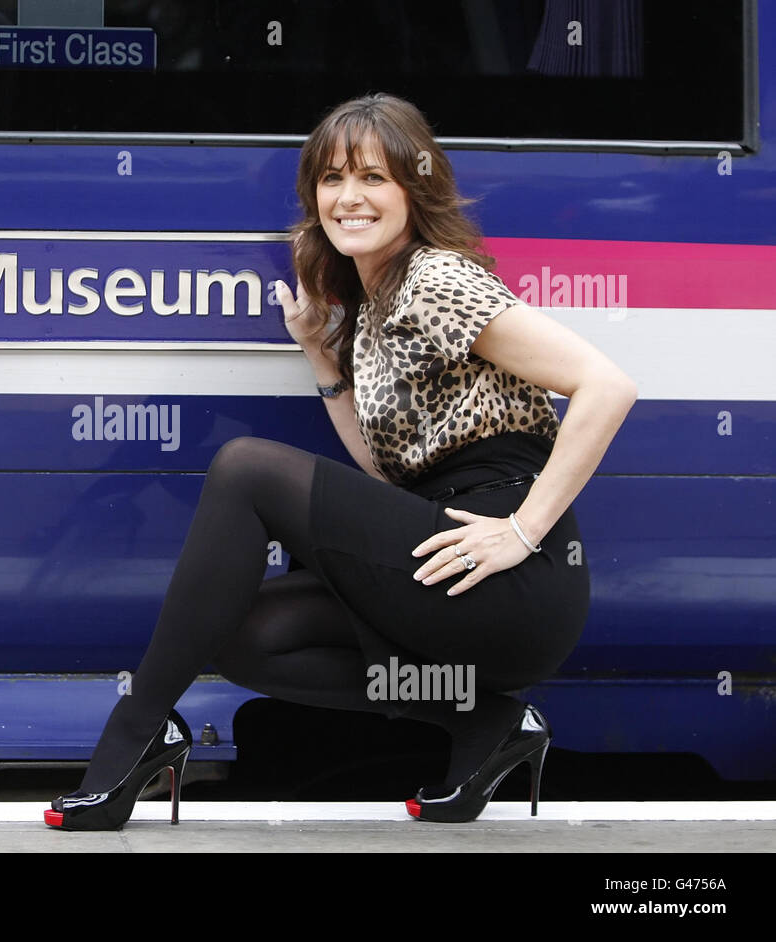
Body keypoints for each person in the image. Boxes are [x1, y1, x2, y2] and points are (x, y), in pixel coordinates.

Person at [44, 93, 637, 831]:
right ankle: (485, 725)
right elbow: (386, 471)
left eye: (373, 178)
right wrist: (323, 356)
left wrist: (521, 529)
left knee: (246, 467)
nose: (348, 197)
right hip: (442, 561)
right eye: (330, 179)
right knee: (245, 639)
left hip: (510, 581)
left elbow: (607, 386)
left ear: (413, 191)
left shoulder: (435, 280)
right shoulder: (374, 304)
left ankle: (136, 731)